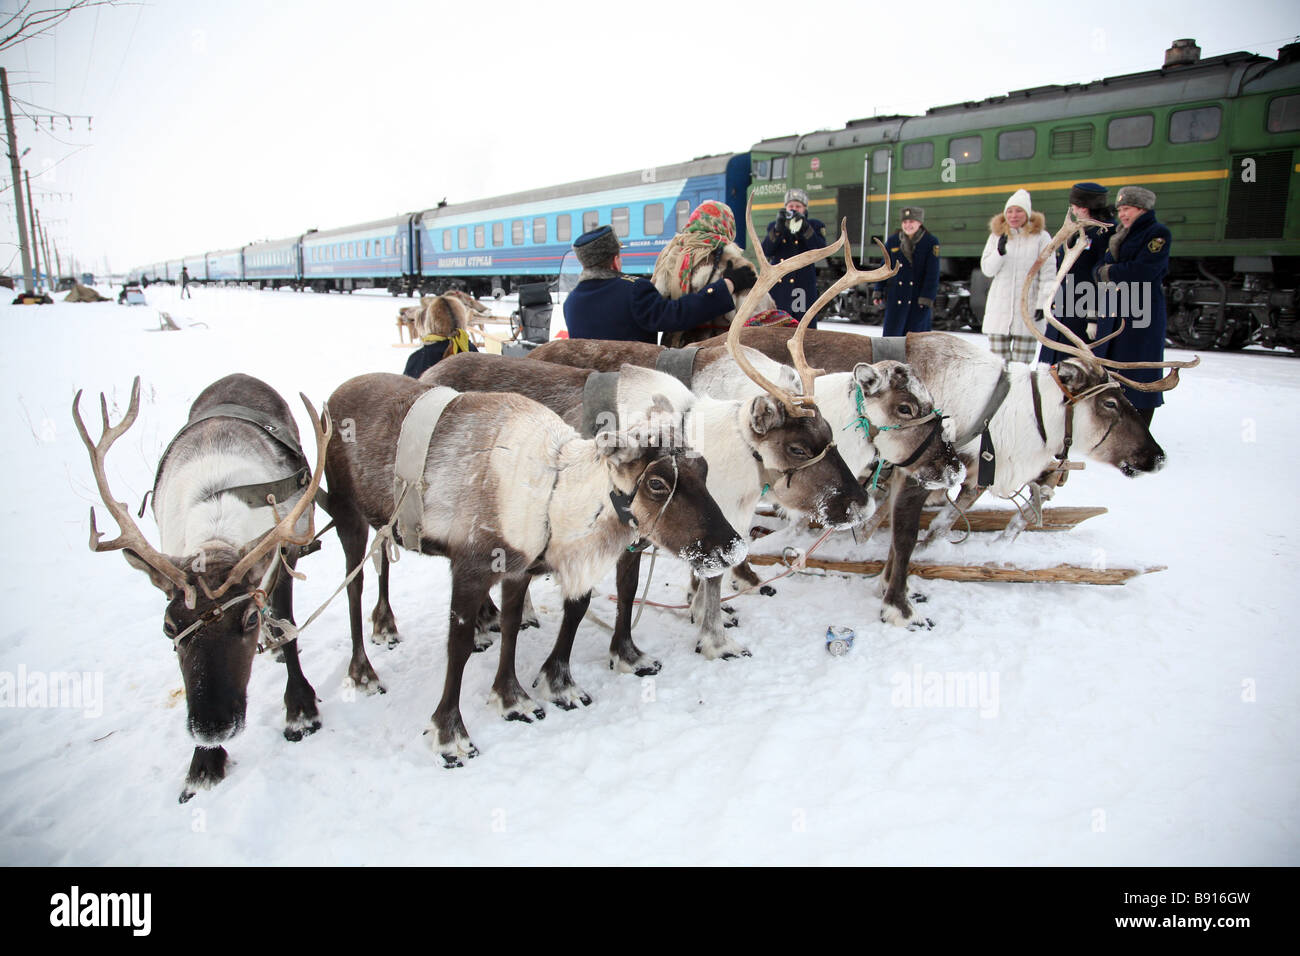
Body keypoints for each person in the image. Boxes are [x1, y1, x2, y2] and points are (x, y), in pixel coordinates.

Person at [562, 225, 754, 343]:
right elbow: (679, 314)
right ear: (614, 260)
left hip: (591, 393)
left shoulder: (571, 303)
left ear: (583, 262)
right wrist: (728, 284)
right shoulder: (632, 291)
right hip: (634, 391)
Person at [1095, 185, 1170, 425]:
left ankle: (1140, 429)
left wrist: (1108, 272)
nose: (1122, 215)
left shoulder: (1157, 233)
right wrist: (1105, 272)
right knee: (1115, 370)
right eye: (1120, 210)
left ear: (1142, 209)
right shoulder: (1120, 233)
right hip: (1117, 311)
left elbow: (1144, 270)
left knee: (1140, 370)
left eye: (1127, 209)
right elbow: (1099, 268)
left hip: (1142, 313)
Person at [1039, 182, 1116, 365]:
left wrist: (1094, 316)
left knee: (1072, 367)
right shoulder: (1076, 230)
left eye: (1075, 205)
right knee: (1051, 364)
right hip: (1064, 308)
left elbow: (1104, 278)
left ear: (1084, 207)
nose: (1072, 210)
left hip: (1083, 310)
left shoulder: (1105, 233)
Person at [979, 189, 1051, 363]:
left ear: (1027, 214)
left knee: (1021, 370)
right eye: (1009, 211)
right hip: (999, 313)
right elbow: (987, 270)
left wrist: (1043, 304)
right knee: (998, 368)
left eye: (1019, 211)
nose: (1013, 215)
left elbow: (1048, 274)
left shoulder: (1041, 238)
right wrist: (999, 252)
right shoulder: (996, 236)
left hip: (1028, 313)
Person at [760, 188, 827, 325]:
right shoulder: (775, 226)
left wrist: (805, 228)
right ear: (785, 207)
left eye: (798, 206)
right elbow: (766, 250)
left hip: (802, 286)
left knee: (802, 323)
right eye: (791, 206)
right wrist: (778, 230)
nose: (794, 209)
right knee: (777, 323)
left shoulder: (814, 225)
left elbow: (820, 250)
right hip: (780, 285)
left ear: (805, 209)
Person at [873, 206, 940, 336]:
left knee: (915, 342)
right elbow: (884, 268)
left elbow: (932, 274)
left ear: (919, 223)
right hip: (896, 297)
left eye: (911, 222)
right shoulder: (893, 241)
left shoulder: (930, 242)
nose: (908, 225)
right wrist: (878, 290)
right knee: (892, 340)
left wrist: (926, 298)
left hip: (917, 300)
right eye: (905, 222)